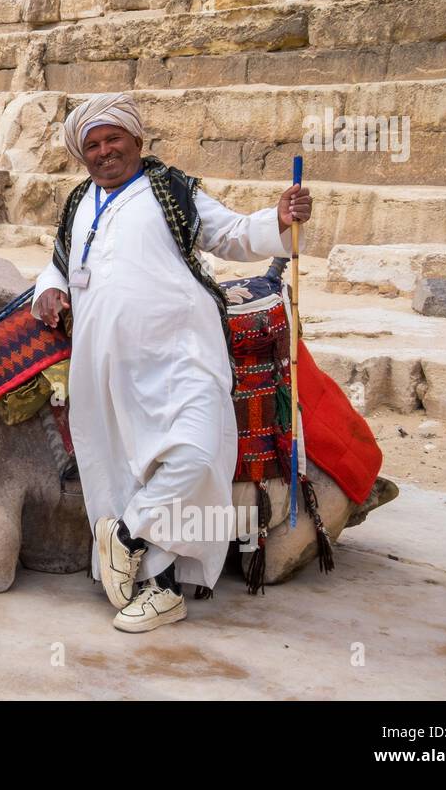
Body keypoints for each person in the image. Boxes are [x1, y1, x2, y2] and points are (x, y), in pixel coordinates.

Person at [30, 92, 312, 633]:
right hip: (105, 368)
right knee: (120, 469)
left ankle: (127, 537)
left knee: (197, 453)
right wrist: (49, 288)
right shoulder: (79, 202)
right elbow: (60, 264)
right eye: (92, 144)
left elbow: (229, 234)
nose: (104, 150)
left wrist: (275, 220)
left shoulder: (170, 188)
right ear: (81, 154)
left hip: (182, 356)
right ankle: (159, 590)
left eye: (114, 138)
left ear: (137, 141)